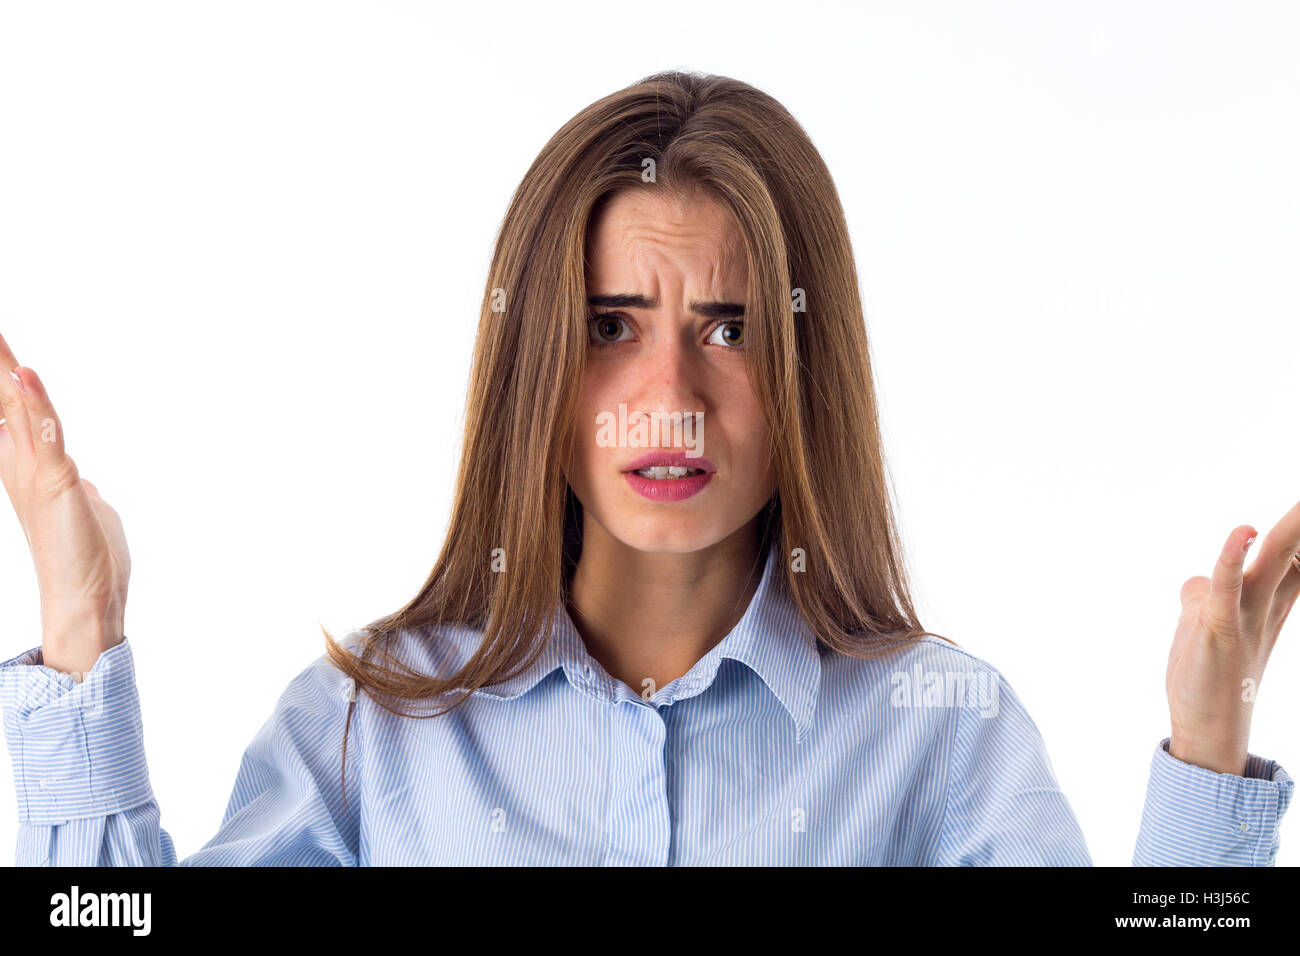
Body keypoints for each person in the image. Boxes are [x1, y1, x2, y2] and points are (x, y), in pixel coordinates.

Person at [0, 71, 1294, 866]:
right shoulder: (363, 733)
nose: (665, 402)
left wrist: (1208, 756)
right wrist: (80, 635)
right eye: (612, 327)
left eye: (727, 331)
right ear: (536, 372)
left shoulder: (944, 741)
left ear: (806, 380)